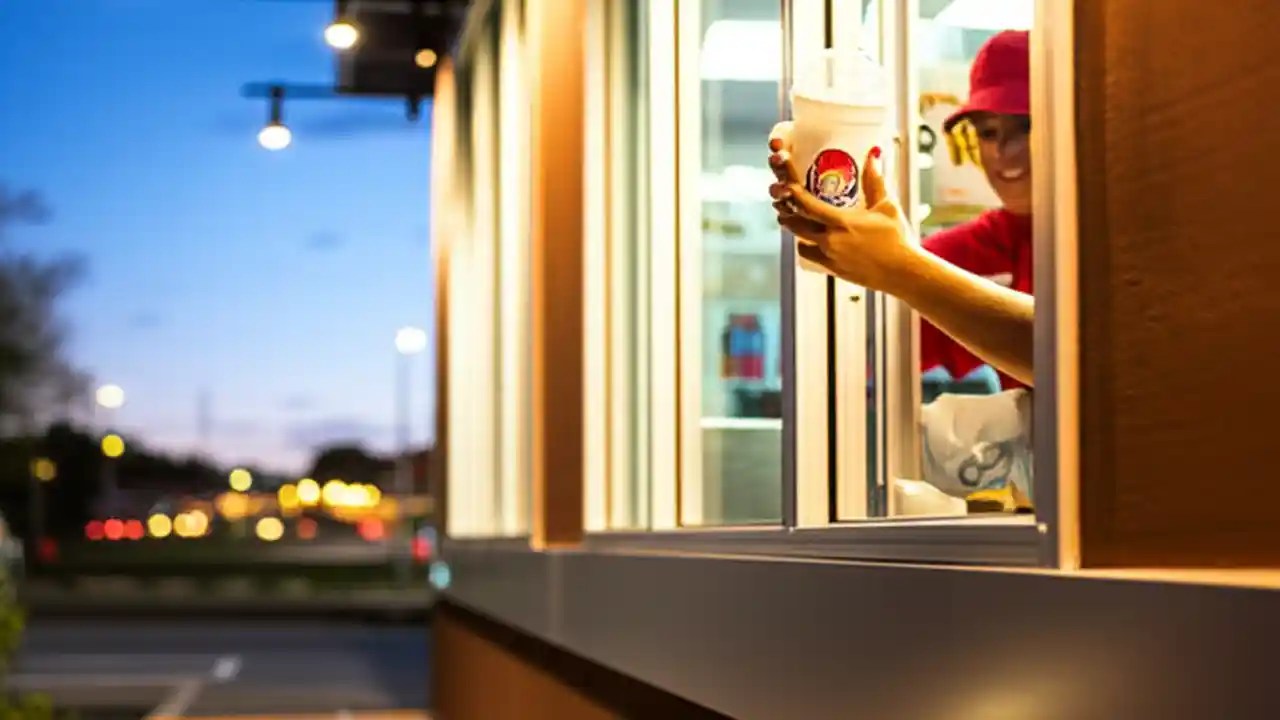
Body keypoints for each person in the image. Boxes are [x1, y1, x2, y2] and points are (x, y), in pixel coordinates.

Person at [768, 30, 1034, 387]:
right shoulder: (983, 247)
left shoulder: (1110, 236)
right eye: (987, 132)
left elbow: (1078, 361)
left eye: (1025, 126)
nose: (1002, 150)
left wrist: (901, 268)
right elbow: (829, 362)